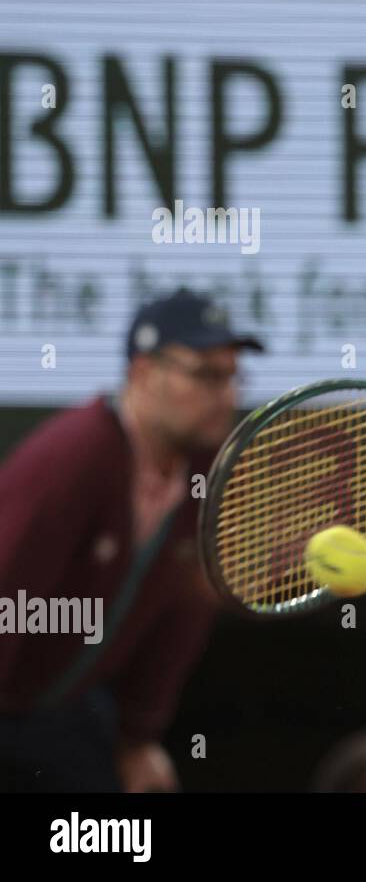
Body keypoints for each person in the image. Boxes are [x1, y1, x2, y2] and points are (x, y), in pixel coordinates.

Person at [0, 287, 263, 791]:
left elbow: (183, 608)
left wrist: (137, 740)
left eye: (233, 377)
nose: (226, 395)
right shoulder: (73, 461)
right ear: (143, 373)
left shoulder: (204, 478)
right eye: (207, 375)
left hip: (64, 710)